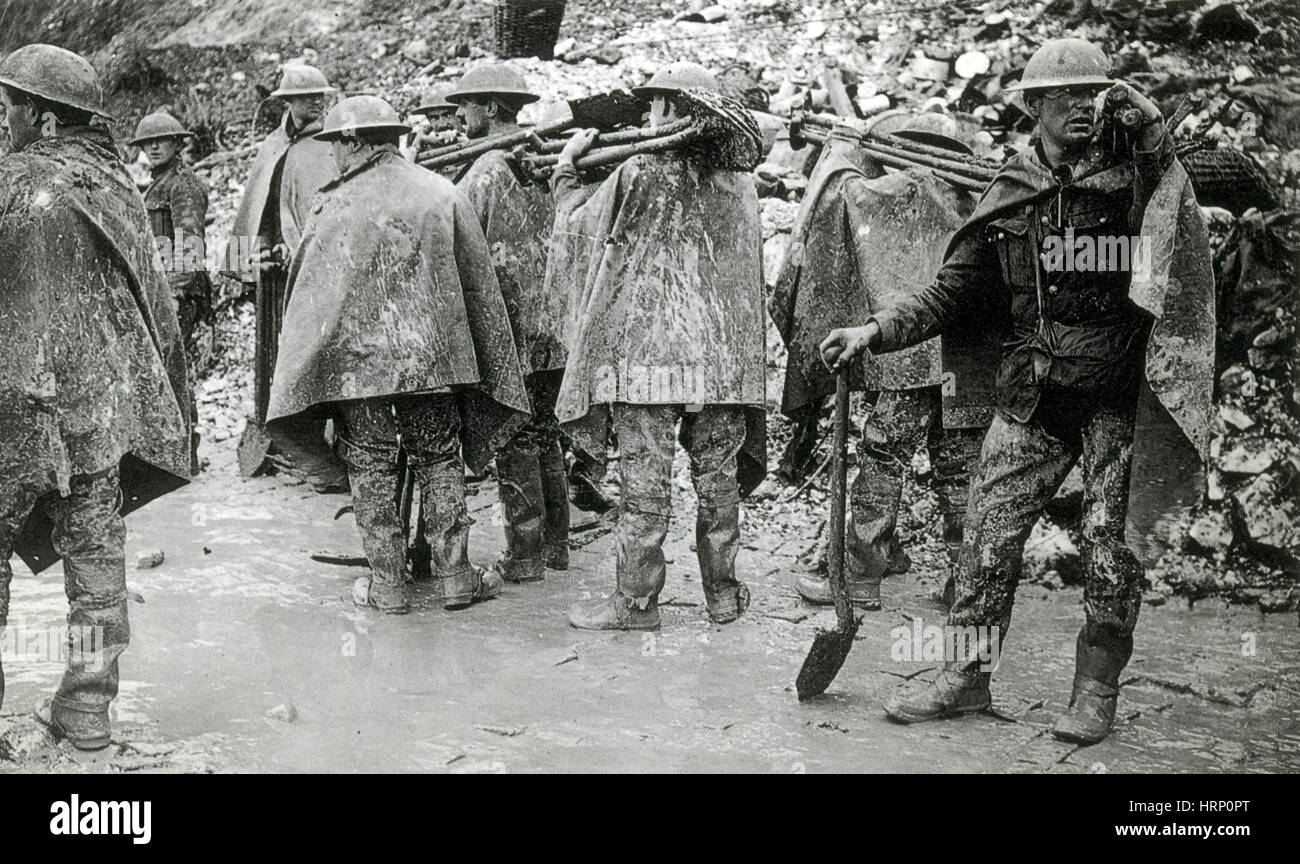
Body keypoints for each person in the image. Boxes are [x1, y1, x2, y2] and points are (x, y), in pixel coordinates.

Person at [821, 38, 1215, 744]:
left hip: (1114, 395)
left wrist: (1154, 135)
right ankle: (966, 678)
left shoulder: (1137, 181)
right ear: (1034, 106)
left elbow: (1173, 227)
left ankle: (1095, 693)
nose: (1083, 108)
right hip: (1032, 394)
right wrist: (873, 331)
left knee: (1108, 549)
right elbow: (953, 290)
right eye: (1065, 97)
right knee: (985, 537)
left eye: (1094, 95)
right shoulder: (1014, 189)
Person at [265, 95, 530, 614]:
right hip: (432, 363)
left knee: (370, 463)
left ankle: (387, 585)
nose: (334, 159)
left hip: (357, 371)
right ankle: (456, 576)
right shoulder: (442, 193)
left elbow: (309, 298)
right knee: (439, 457)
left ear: (355, 141)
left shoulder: (330, 205)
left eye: (336, 146)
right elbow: (478, 290)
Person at [0, 44, 191, 749]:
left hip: (13, 410)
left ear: (45, 120)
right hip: (99, 412)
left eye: (11, 109)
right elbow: (150, 303)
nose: (6, 122)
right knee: (97, 560)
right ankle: (85, 711)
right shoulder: (115, 186)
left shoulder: (9, 181)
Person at [555, 63, 767, 631]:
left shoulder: (638, 172)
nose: (647, 116)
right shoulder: (741, 186)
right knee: (717, 483)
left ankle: (636, 605)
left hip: (646, 362)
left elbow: (578, 236)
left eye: (653, 105)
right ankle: (722, 597)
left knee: (646, 488)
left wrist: (564, 178)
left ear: (671, 110)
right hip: (722, 365)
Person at [770, 113, 996, 610]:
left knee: (884, 455)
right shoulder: (982, 194)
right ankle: (966, 583)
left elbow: (839, 189)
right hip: (967, 359)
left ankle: (860, 574)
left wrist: (843, 146)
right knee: (960, 469)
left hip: (909, 354)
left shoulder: (893, 190)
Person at [449, 64, 570, 582]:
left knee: (516, 437)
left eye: (467, 105)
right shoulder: (545, 159)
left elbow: (456, 250)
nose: (458, 114)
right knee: (547, 434)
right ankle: (555, 547)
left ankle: (525, 555)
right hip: (553, 327)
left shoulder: (485, 172)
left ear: (492, 107)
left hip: (510, 329)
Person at [227, 64, 340, 480]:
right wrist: (252, 257)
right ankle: (283, 441)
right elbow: (259, 208)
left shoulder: (330, 145)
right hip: (274, 277)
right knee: (275, 357)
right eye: (307, 96)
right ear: (287, 102)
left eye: (320, 95)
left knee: (317, 356)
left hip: (315, 273)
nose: (316, 102)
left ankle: (328, 452)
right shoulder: (273, 145)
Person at [130, 110, 211, 474]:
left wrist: (174, 295)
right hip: (162, 292)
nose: (155, 147)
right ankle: (176, 453)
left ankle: (184, 455)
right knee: (167, 370)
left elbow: (190, 245)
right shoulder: (159, 184)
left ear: (179, 144)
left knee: (174, 371)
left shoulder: (183, 185)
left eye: (162, 140)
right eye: (148, 142)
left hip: (180, 294)